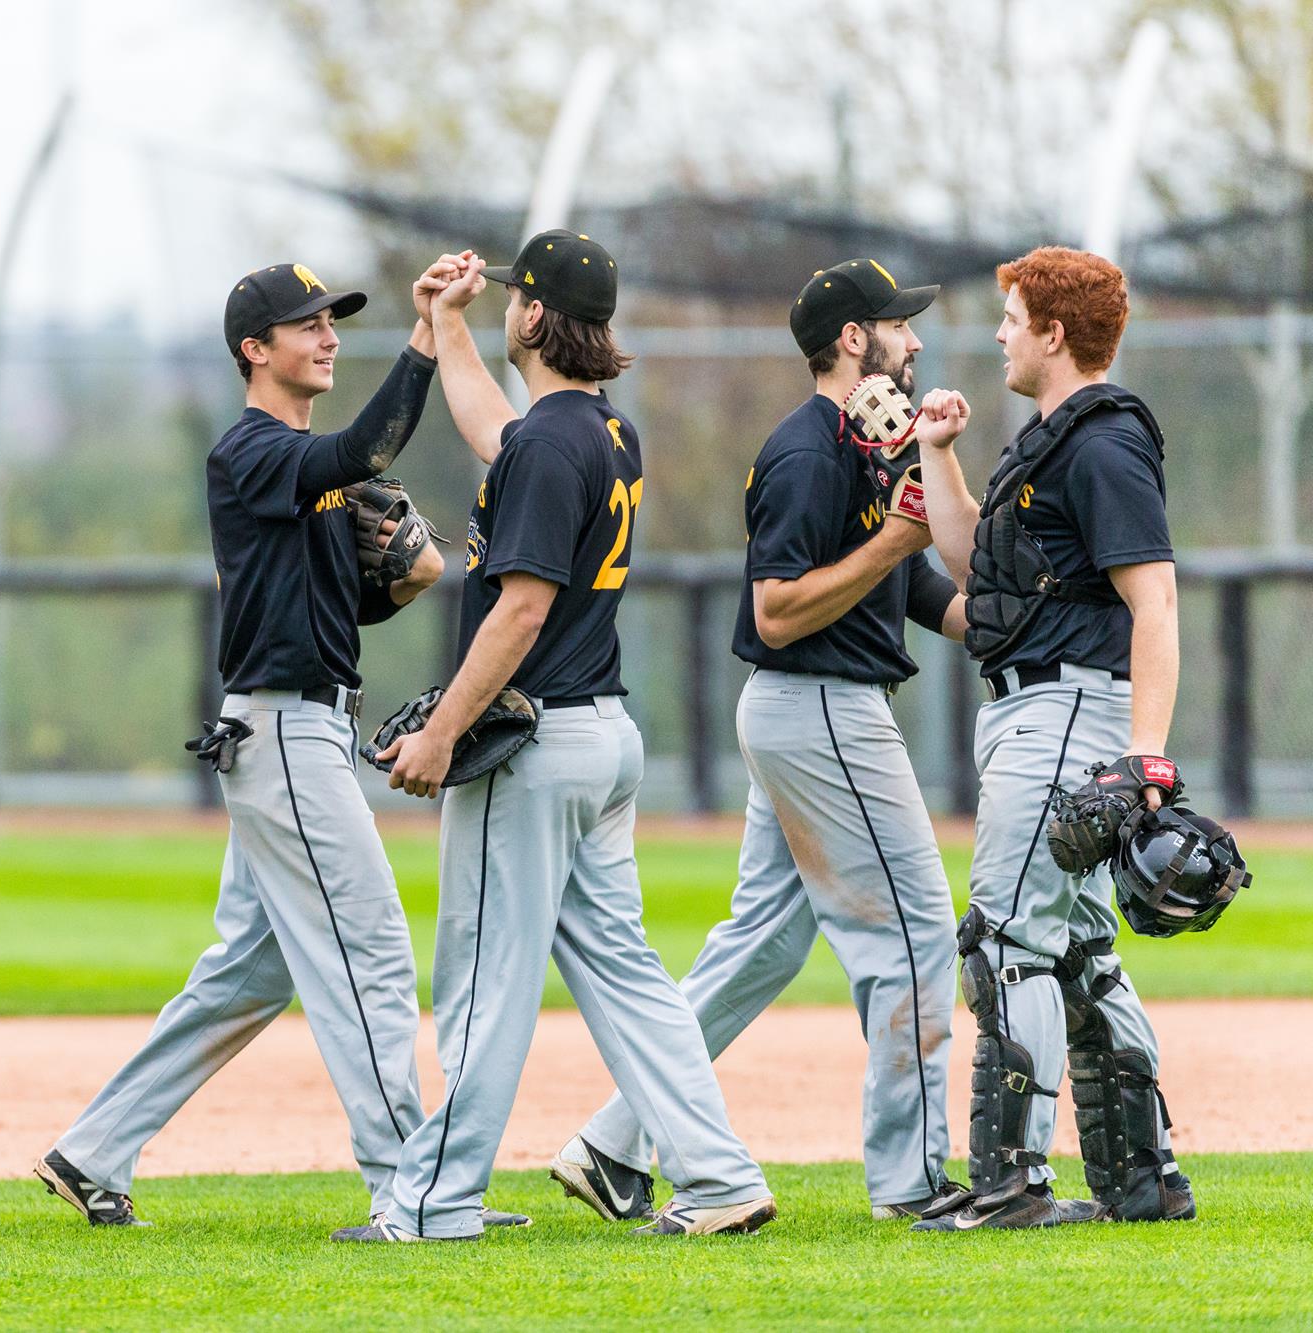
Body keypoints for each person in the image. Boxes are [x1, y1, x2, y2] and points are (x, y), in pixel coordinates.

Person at [36, 260, 502, 1233]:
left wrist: (403, 578)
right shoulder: (249, 452)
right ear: (254, 348)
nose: (327, 335)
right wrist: (426, 333)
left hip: (298, 723)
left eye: (332, 321)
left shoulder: (304, 472)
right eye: (307, 325)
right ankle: (407, 1188)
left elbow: (337, 602)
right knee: (370, 953)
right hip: (284, 733)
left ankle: (93, 1149)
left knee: (248, 971)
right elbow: (365, 446)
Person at [337, 234, 772, 1242]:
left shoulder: (548, 445)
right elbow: (500, 429)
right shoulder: (601, 434)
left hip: (529, 743)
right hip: (599, 737)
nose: (506, 308)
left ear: (532, 317)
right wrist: (444, 328)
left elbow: (519, 608)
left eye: (509, 299)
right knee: (624, 971)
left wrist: (442, 729)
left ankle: (430, 1200)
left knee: (483, 975)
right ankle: (715, 1177)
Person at [552, 259, 969, 1225]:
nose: (912, 342)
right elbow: (777, 611)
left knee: (760, 949)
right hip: (819, 704)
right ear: (854, 340)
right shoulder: (806, 453)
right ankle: (913, 1185)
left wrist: (1000, 621)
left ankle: (615, 1143)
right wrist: (894, 545)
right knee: (910, 939)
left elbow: (908, 589)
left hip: (808, 709)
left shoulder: (864, 446)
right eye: (897, 327)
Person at [910, 246, 1194, 1231]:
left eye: (1011, 316)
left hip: (1069, 711)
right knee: (1074, 947)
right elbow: (974, 573)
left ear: (1052, 333)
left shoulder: (1102, 441)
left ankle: (1009, 1185)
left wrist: (1143, 757)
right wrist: (934, 454)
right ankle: (1139, 1179)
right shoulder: (1047, 439)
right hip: (1036, 707)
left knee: (1005, 941)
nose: (997, 332)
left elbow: (1151, 599)